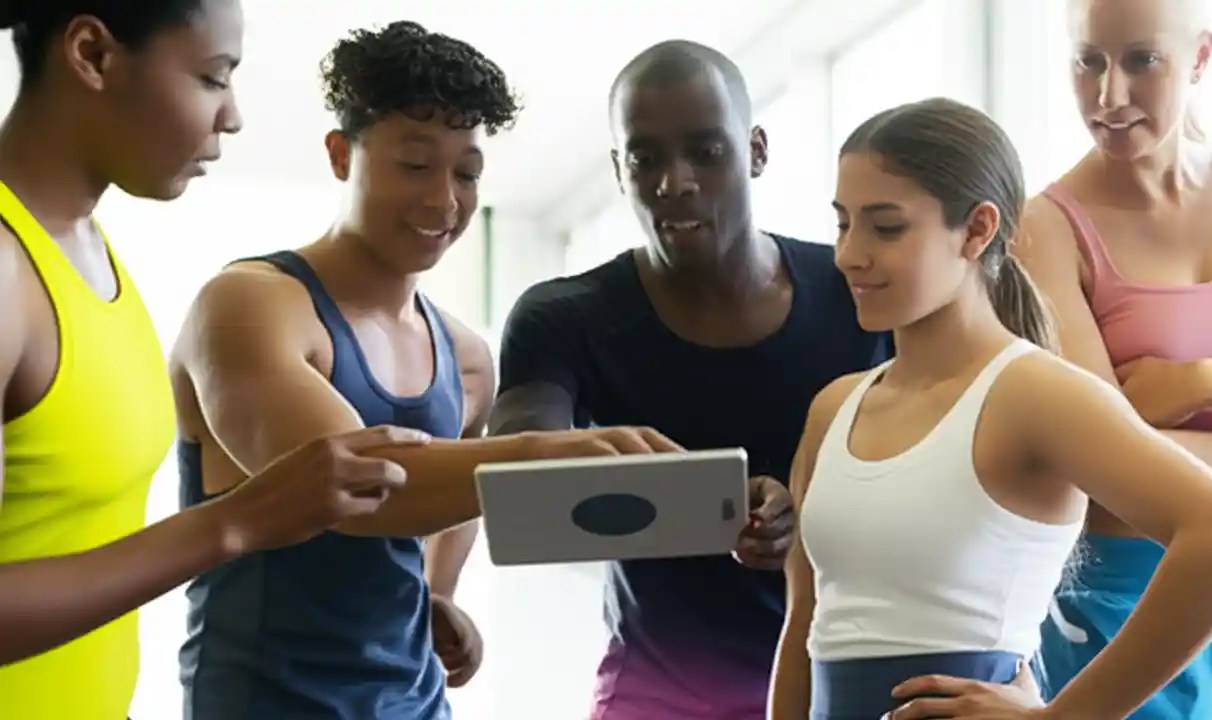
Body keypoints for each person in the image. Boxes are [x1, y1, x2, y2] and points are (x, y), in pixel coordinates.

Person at [167, 21, 681, 720]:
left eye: (466, 173)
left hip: (415, 704)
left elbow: (445, 499)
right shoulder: (250, 307)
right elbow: (359, 491)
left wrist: (439, 597)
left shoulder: (467, 359)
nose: (445, 202)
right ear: (341, 154)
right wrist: (541, 452)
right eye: (415, 165)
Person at [767, 96, 1212, 720]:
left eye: (887, 226)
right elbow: (803, 630)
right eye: (843, 223)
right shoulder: (835, 407)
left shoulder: (1035, 394)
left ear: (978, 230)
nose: (849, 253)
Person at [0, 2, 438, 719]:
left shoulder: (87, 253)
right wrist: (235, 522)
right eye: (211, 77)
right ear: (93, 54)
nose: (232, 116)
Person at [489, 40, 892, 719]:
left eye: (706, 152)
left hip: (846, 680)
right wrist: (709, 502)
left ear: (756, 151)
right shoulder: (563, 318)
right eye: (645, 158)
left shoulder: (860, 293)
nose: (674, 182)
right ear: (620, 169)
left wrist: (811, 513)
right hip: (661, 693)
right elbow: (522, 489)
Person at [1015, 0, 1212, 716]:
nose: (1110, 96)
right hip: (1128, 600)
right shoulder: (1043, 231)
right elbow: (1107, 470)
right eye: (1088, 62)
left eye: (1142, 61)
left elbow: (1141, 448)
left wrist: (1199, 381)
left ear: (1199, 58)